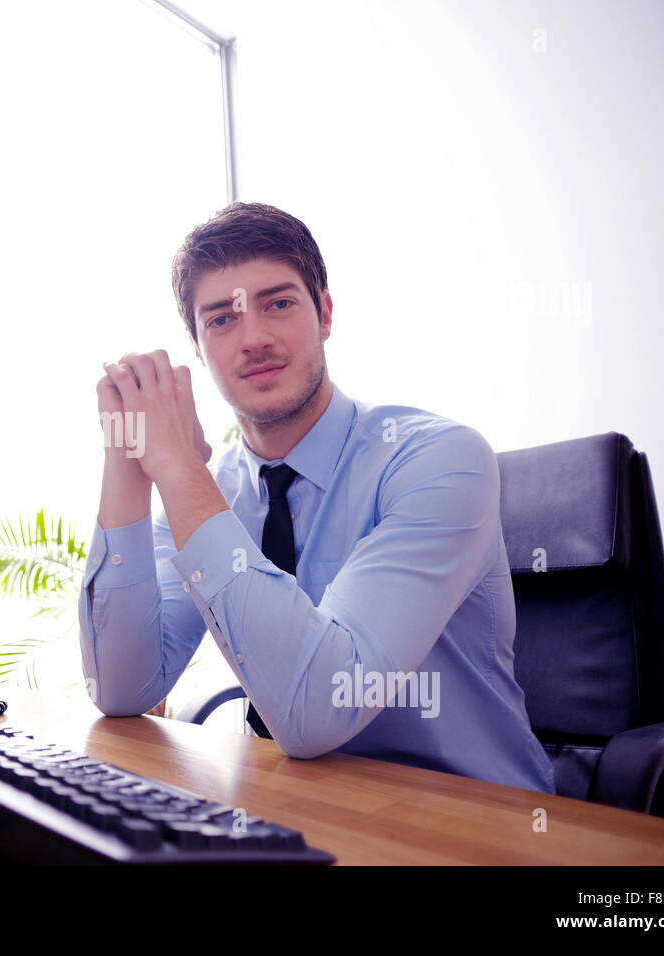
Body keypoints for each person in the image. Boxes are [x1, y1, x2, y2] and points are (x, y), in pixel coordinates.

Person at [79, 201, 555, 794]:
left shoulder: (438, 459)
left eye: (278, 303)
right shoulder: (210, 491)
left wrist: (176, 467)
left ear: (325, 313)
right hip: (296, 811)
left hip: (470, 819)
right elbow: (123, 688)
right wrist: (129, 460)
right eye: (221, 319)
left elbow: (318, 710)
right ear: (198, 349)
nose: (253, 337)